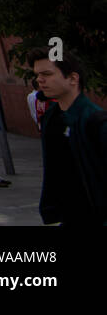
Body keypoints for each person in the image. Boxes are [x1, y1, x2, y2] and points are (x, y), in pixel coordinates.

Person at [29, 49, 107, 225]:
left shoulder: (95, 121)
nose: (40, 80)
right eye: (37, 75)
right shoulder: (51, 118)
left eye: (47, 74)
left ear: (73, 78)